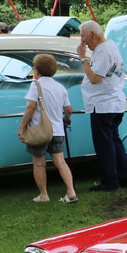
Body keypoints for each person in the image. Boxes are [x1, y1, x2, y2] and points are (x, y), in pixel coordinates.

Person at [77, 20, 127, 192]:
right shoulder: (111, 46)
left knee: (105, 144)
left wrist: (82, 58)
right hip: (113, 102)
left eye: (83, 36)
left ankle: (110, 180)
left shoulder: (103, 51)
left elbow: (96, 78)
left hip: (103, 104)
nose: (83, 41)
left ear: (92, 34)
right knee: (114, 140)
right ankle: (126, 178)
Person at [18, 54, 78, 203]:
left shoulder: (35, 85)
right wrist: (67, 119)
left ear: (37, 71)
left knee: (39, 163)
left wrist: (22, 127)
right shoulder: (60, 87)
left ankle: (44, 195)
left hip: (40, 131)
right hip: (57, 130)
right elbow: (68, 109)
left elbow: (31, 107)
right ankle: (71, 192)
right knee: (60, 162)